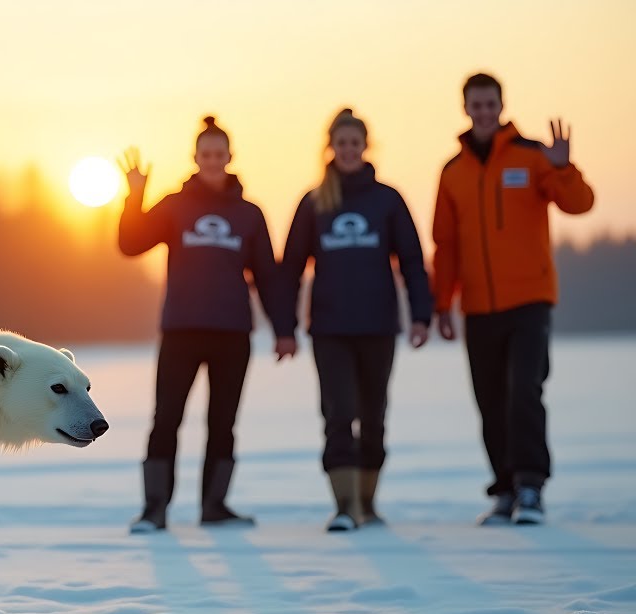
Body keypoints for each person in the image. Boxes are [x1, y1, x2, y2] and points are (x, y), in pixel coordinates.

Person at [432, 72, 595, 526]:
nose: (484, 112)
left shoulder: (532, 155)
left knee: (524, 390)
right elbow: (445, 244)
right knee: (490, 400)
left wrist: (563, 168)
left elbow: (580, 203)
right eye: (476, 105)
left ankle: (530, 486)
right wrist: (442, 304)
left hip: (529, 300)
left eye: (491, 104)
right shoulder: (453, 172)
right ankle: (504, 489)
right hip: (478, 307)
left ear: (501, 106)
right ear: (465, 108)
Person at [118, 116, 292, 533]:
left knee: (223, 422)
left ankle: (215, 506)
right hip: (181, 330)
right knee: (167, 418)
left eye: (219, 154)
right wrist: (134, 197)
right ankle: (154, 509)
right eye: (206, 154)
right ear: (195, 158)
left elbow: (268, 276)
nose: (213, 161)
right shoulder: (175, 206)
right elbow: (131, 243)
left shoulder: (249, 214)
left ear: (230, 157)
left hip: (232, 333)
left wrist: (284, 329)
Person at [280, 108, 433, 532]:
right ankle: (345, 506)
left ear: (366, 146)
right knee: (338, 413)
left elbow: (413, 261)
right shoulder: (314, 202)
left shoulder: (388, 200)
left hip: (378, 326)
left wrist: (421, 316)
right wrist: (284, 327)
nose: (348, 150)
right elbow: (290, 269)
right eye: (341, 143)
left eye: (355, 143)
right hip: (330, 329)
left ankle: (368, 503)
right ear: (331, 147)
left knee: (373, 415)